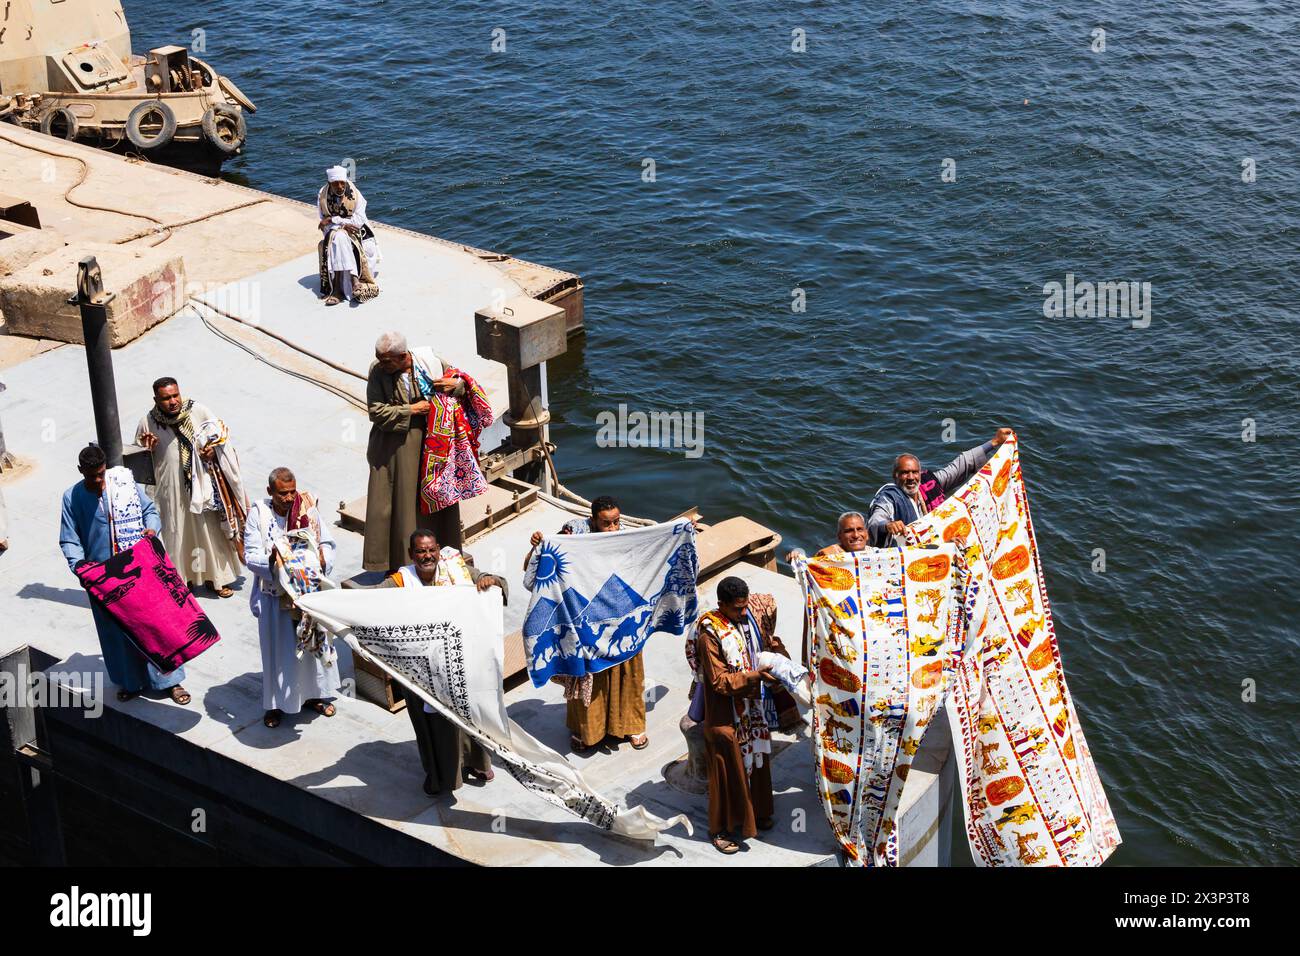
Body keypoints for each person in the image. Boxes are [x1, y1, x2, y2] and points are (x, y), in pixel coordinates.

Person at [58, 444, 190, 705]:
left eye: (101, 474)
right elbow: (69, 539)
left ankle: (170, 682)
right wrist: (79, 566)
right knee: (115, 633)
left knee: (153, 626)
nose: (97, 481)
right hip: (102, 578)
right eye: (91, 476)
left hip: (138, 569)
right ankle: (130, 681)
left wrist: (151, 530)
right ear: (80, 471)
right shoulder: (71, 497)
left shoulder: (124, 485)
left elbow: (149, 512)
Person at [378, 529, 505, 794]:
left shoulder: (455, 569)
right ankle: (440, 775)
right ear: (412, 555)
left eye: (431, 550)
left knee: (470, 715)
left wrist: (486, 579)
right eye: (421, 551)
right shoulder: (400, 581)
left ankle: (478, 763)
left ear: (438, 549)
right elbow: (370, 600)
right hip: (420, 669)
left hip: (458, 660)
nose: (428, 556)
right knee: (430, 724)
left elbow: (484, 578)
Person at [523, 495, 650, 753]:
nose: (613, 528)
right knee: (588, 673)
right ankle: (587, 730)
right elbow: (538, 566)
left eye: (616, 521)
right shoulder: (574, 533)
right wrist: (537, 546)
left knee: (627, 673)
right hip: (585, 620)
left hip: (620, 615)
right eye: (606, 523)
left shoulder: (624, 537)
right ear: (592, 520)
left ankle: (631, 725)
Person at [363, 331, 473, 571]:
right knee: (399, 503)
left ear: (403, 356)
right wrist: (411, 410)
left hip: (433, 447)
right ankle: (401, 562)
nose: (381, 364)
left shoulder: (430, 362)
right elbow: (376, 411)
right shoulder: (377, 372)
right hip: (396, 449)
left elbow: (461, 385)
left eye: (386, 360)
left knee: (436, 499)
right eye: (379, 359)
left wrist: (456, 386)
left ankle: (444, 553)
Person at [243, 467, 339, 728]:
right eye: (282, 493)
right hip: (275, 595)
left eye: (292, 492)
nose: (288, 498)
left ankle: (313, 696)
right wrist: (273, 559)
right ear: (270, 492)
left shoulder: (307, 508)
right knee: (278, 652)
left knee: (310, 647)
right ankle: (275, 704)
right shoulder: (258, 515)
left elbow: (327, 543)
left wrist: (322, 557)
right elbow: (250, 555)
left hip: (307, 591)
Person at [136, 377, 248, 598]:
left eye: (175, 395)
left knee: (210, 531)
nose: (173, 401)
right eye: (166, 398)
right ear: (156, 399)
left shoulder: (198, 411)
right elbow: (139, 461)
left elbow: (222, 439)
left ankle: (217, 580)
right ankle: (182, 581)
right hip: (171, 490)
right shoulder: (148, 422)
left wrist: (212, 452)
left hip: (202, 485)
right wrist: (146, 448)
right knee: (178, 533)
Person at [693, 575, 780, 854]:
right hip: (724, 712)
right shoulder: (709, 633)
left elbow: (766, 613)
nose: (744, 613)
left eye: (745, 607)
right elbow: (718, 681)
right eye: (737, 609)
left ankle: (758, 813)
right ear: (721, 605)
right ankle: (720, 830)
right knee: (727, 772)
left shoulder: (746, 620)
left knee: (757, 759)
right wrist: (754, 677)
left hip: (750, 709)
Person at [867, 428, 1014, 547]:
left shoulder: (928, 484)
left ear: (920, 473)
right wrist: (887, 525)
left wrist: (995, 442)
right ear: (895, 475)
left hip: (931, 551)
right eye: (905, 473)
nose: (911, 477)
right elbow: (876, 520)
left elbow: (960, 465)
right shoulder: (889, 496)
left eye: (914, 472)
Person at [317, 165, 381, 305]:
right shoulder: (323, 195)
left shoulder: (355, 193)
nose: (340, 187)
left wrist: (334, 220)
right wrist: (341, 225)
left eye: (342, 183)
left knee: (340, 236)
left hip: (357, 232)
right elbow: (323, 223)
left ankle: (338, 290)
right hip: (334, 233)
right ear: (329, 184)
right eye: (335, 184)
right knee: (339, 236)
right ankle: (354, 279)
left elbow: (358, 221)